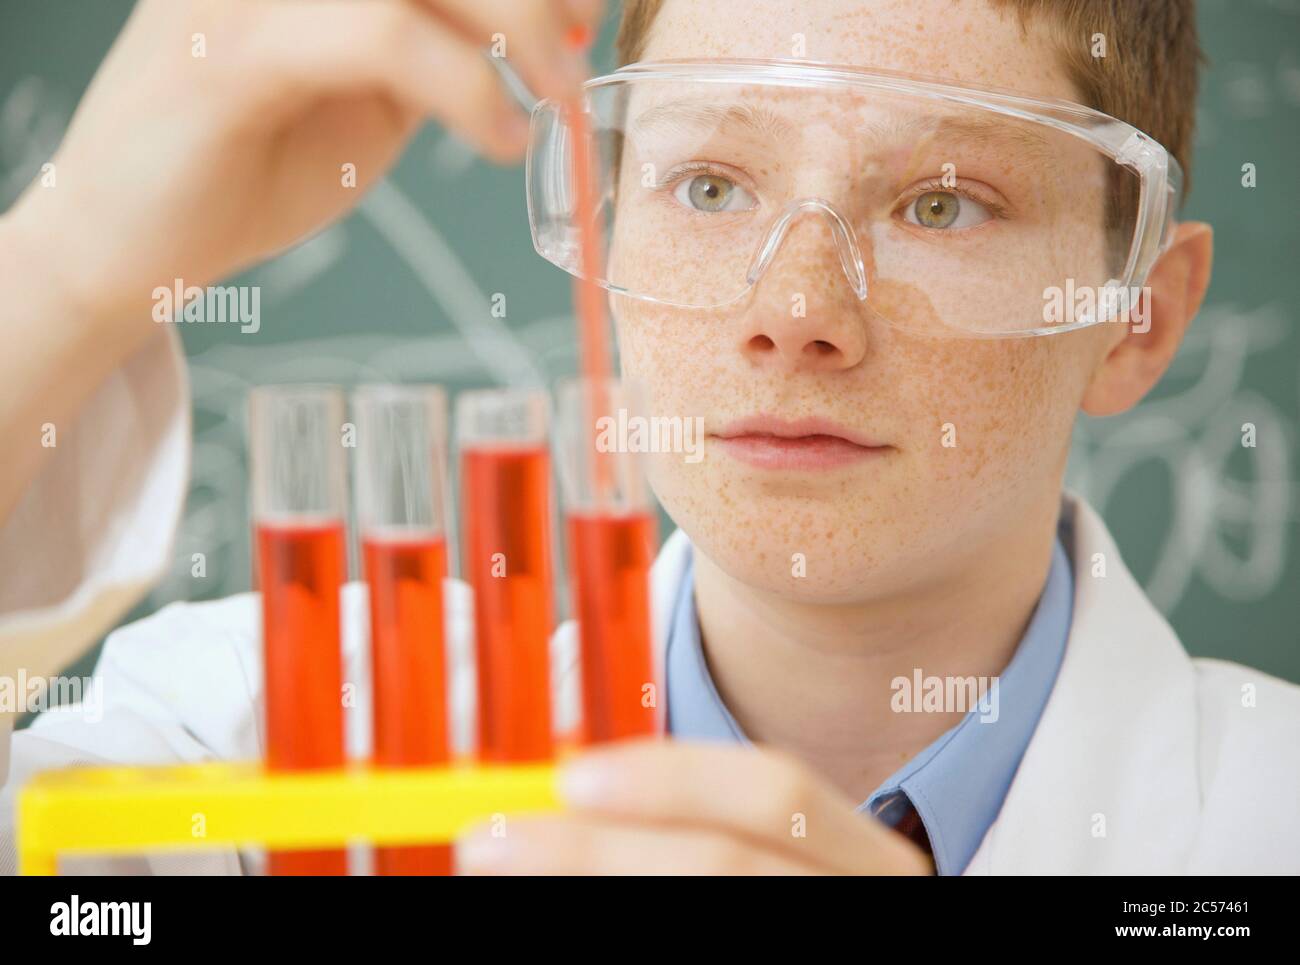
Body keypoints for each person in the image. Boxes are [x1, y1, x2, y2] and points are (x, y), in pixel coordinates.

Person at [0, 0, 1295, 875]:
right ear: (607, 230)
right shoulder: (255, 746)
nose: (796, 317)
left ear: (1135, 317)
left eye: (945, 203)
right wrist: (61, 272)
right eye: (713, 185)